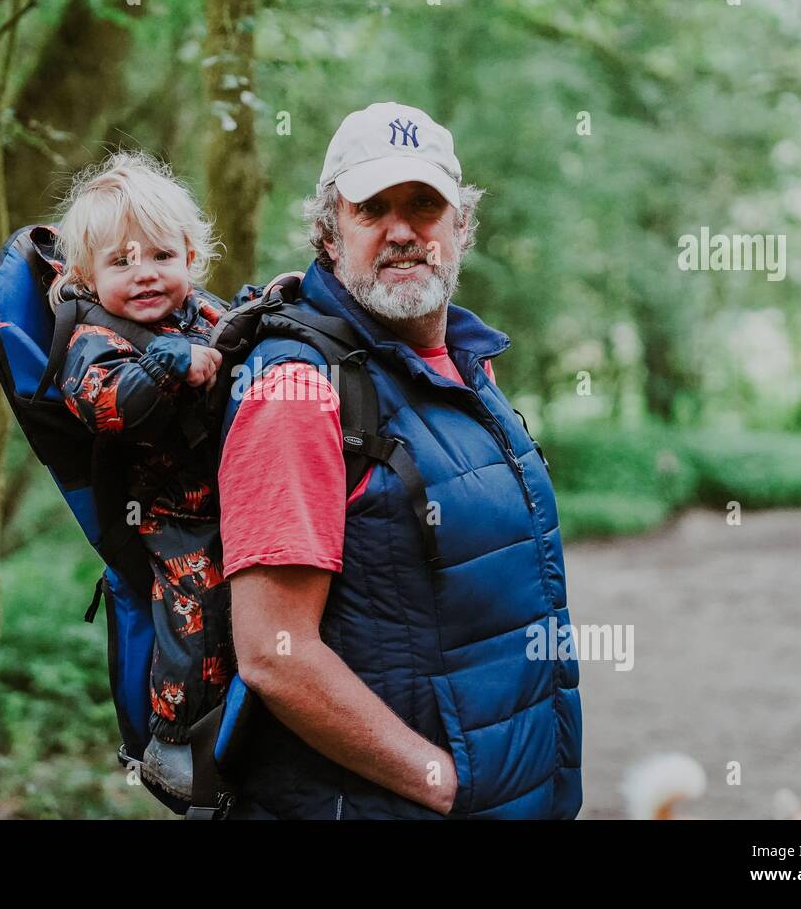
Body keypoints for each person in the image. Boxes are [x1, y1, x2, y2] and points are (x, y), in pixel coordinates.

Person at [216, 102, 583, 819]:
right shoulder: (297, 388)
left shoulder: (468, 371)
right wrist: (440, 782)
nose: (403, 230)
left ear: (461, 228)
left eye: (424, 205)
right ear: (328, 233)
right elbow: (274, 651)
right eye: (372, 208)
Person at [48, 151, 231, 802]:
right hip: (164, 518)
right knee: (197, 600)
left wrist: (273, 307)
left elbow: (242, 338)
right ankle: (171, 738)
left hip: (229, 497)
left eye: (159, 255)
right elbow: (109, 403)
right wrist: (167, 366)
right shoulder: (92, 339)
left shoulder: (201, 312)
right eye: (121, 262)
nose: (144, 274)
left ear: (189, 255)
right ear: (88, 277)